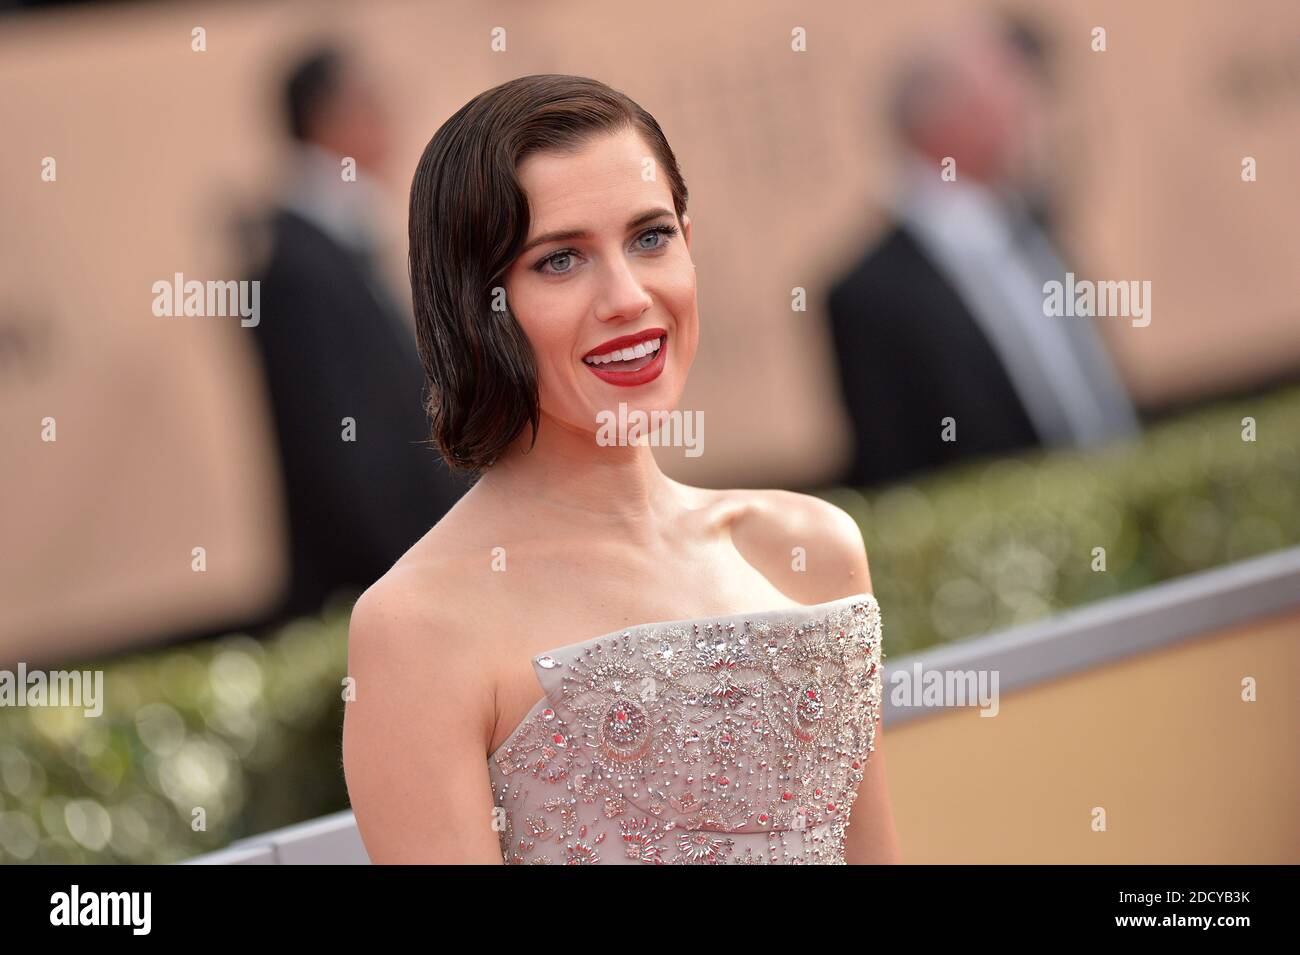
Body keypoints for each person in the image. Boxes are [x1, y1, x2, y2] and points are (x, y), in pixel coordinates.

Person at [342, 74, 900, 865]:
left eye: (650, 237)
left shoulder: (810, 548)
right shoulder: (416, 627)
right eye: (561, 260)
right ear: (476, 305)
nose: (628, 297)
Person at [826, 16, 1141, 488]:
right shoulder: (870, 294)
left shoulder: (1033, 229)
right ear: (945, 119)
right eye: (1005, 96)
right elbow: (901, 481)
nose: (1027, 115)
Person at [249, 46, 465, 622]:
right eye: (370, 104)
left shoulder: (334, 245)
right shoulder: (298, 264)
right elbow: (343, 451)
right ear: (327, 120)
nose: (387, 122)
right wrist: (414, 576)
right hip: (377, 588)